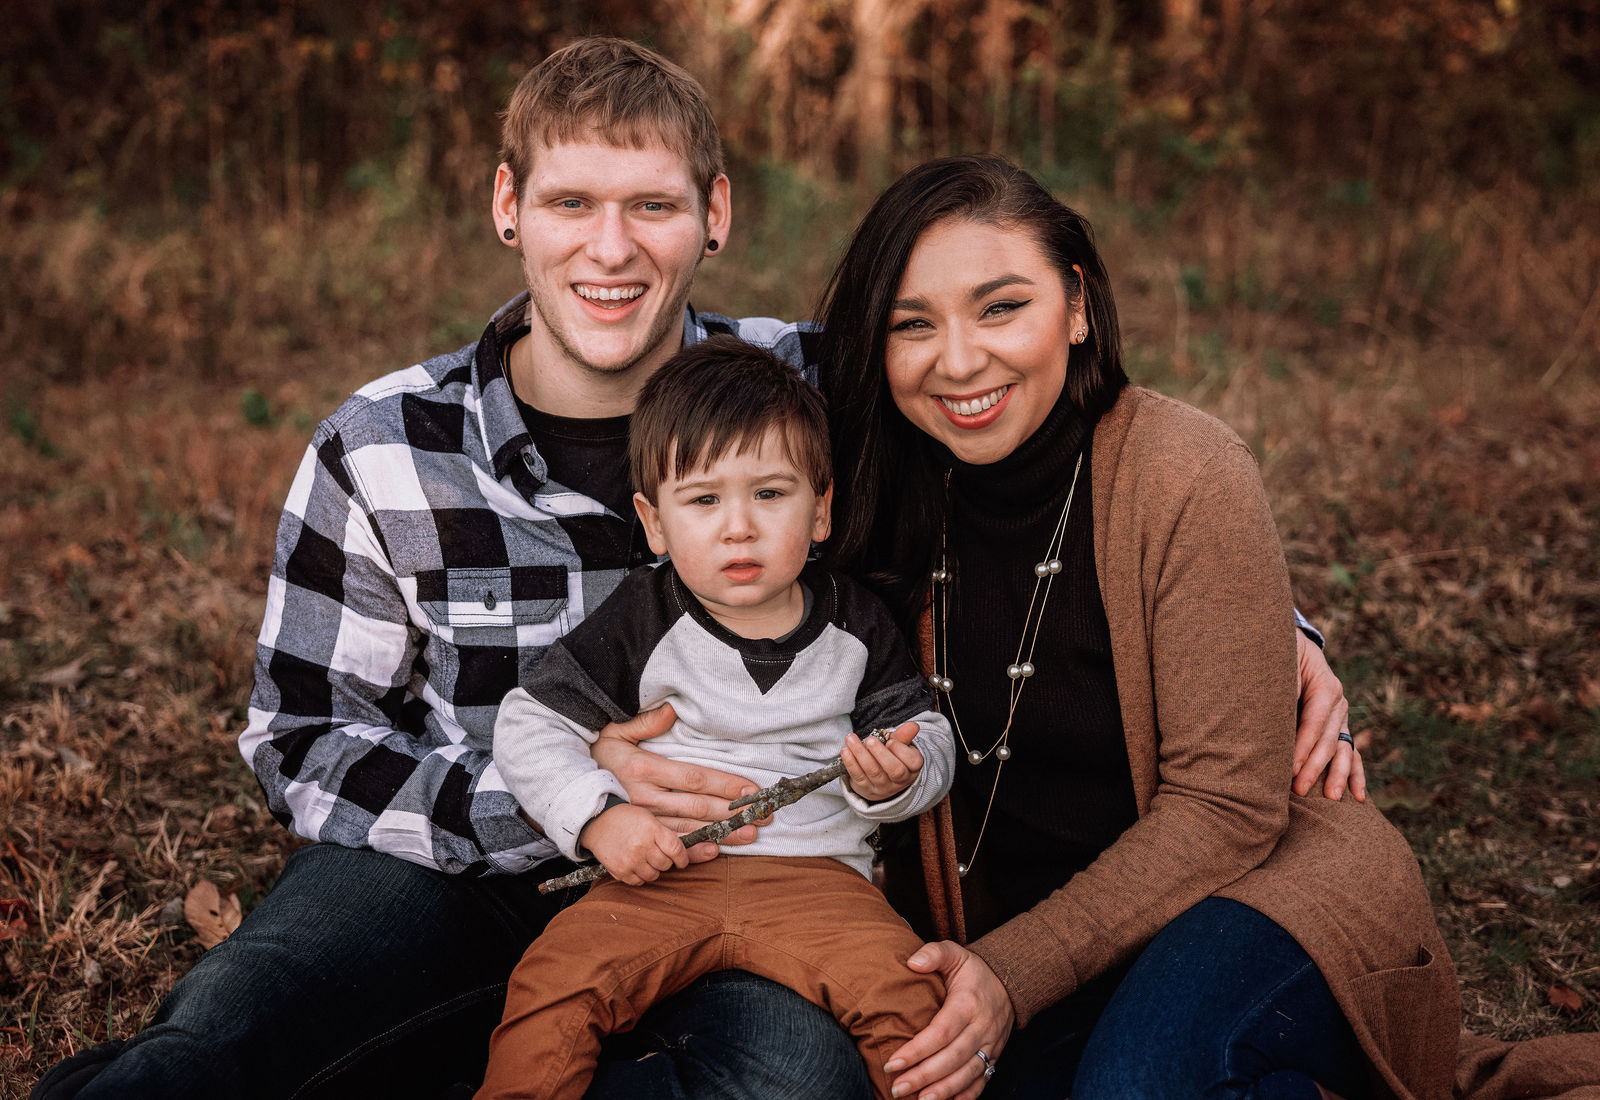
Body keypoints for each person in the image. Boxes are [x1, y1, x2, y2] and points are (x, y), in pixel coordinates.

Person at [31, 38, 1363, 1100]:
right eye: (570, 202)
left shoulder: (807, 383)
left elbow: (1025, 453)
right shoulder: (382, 449)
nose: (610, 251)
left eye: (653, 205)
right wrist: (564, 802)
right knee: (237, 1023)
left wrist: (1272, 633)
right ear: (509, 207)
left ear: (713, 213)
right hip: (452, 868)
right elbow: (301, 740)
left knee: (790, 1083)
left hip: (761, 876)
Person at [812, 153, 1600, 1100]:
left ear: (1077, 305)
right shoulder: (865, 495)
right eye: (912, 324)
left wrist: (1012, 973)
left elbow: (1227, 807)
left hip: (1256, 885)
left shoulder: (1184, 468)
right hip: (1060, 956)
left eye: (1000, 307)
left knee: (1139, 1084)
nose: (959, 359)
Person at [475, 336, 954, 1100]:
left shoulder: (856, 623)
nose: (738, 527)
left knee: (914, 1006)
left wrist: (897, 776)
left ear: (822, 508)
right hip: (666, 872)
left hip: (821, 881)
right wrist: (598, 820)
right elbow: (531, 720)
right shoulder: (643, 615)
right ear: (655, 522)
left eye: (770, 494)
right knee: (554, 985)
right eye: (703, 500)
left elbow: (924, 733)